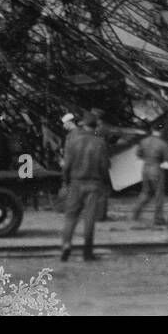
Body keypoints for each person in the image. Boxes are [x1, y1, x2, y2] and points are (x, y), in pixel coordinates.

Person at [60, 111, 111, 261]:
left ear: (83, 125)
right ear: (95, 126)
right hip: (94, 184)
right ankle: (87, 253)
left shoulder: (73, 141)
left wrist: (66, 182)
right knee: (89, 218)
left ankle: (66, 245)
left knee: (70, 216)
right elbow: (104, 166)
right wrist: (105, 183)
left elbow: (67, 165)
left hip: (76, 183)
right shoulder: (100, 142)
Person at [132, 123, 168, 227]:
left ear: (152, 129)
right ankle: (158, 218)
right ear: (161, 131)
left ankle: (136, 212)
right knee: (159, 194)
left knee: (145, 192)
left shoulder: (143, 141)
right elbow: (166, 160)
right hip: (157, 168)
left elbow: (138, 154)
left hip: (145, 168)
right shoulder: (163, 144)